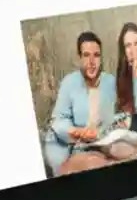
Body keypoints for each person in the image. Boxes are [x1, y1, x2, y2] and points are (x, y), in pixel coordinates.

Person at [42, 31, 116, 175]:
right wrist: (76, 131)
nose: (91, 62)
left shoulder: (110, 82)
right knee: (92, 163)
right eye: (86, 55)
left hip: (104, 143)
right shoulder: (69, 82)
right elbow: (59, 119)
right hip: (76, 147)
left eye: (96, 55)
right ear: (79, 58)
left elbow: (117, 114)